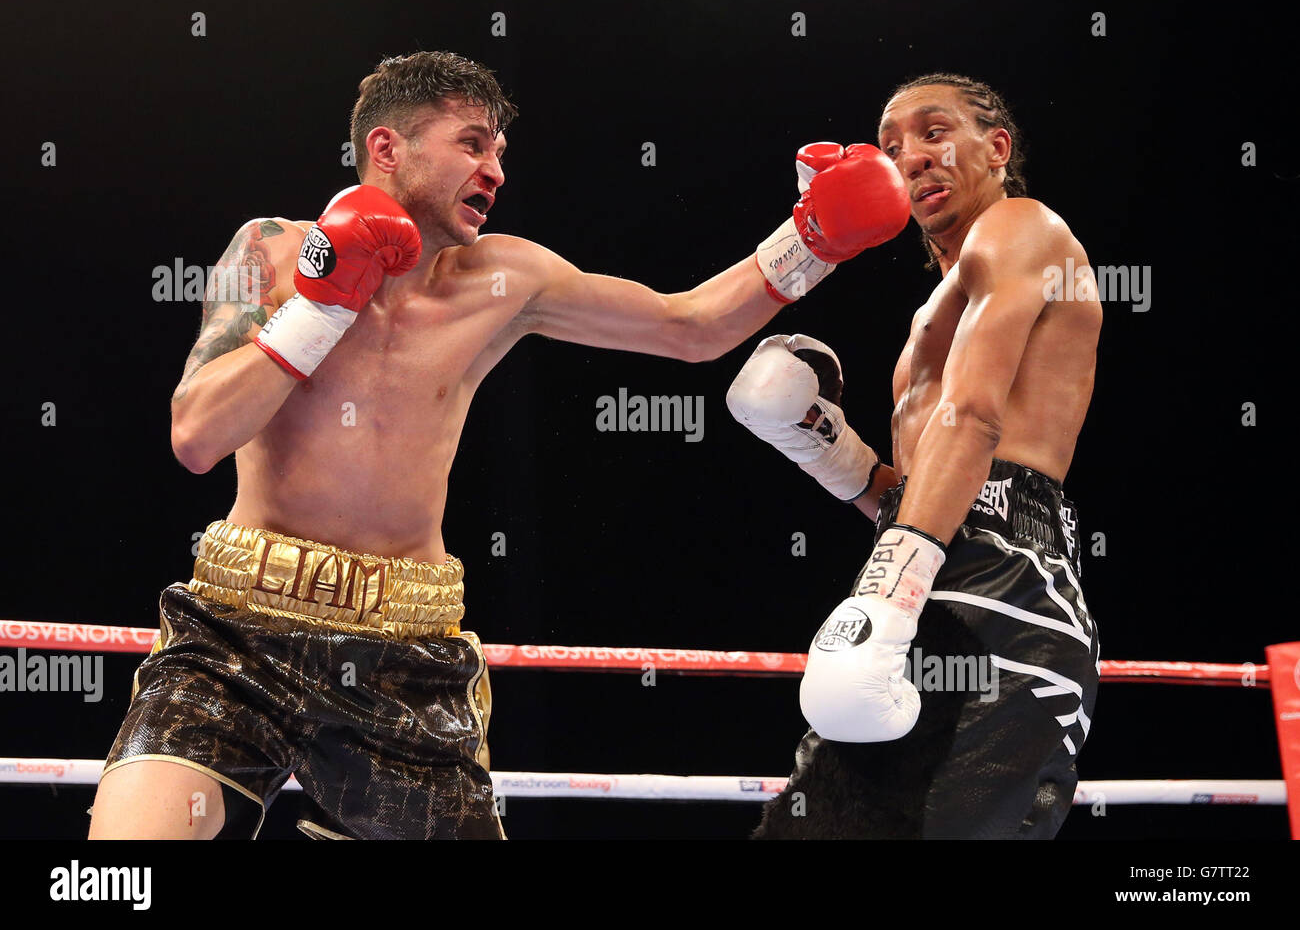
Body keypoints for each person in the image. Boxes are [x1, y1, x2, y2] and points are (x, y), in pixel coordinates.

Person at [87, 51, 910, 839]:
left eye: (500, 153)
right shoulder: (268, 249)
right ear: (388, 148)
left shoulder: (506, 279)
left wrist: (813, 238)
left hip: (404, 650)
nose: (495, 171)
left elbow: (689, 326)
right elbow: (196, 435)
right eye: (472, 144)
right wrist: (321, 304)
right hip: (237, 629)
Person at [729, 74, 1102, 838]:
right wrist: (825, 446)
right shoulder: (926, 320)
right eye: (892, 146)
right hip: (923, 576)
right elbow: (924, 488)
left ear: (996, 149)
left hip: (1007, 594)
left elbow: (976, 421)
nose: (913, 156)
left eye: (935, 132)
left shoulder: (1024, 227)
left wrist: (885, 592)